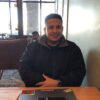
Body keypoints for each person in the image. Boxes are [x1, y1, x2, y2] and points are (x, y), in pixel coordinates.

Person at [19, 13, 86, 87]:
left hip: (64, 88)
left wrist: (59, 82)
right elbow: (23, 69)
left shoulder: (73, 48)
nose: (55, 31)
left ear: (62, 29)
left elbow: (79, 72)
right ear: (45, 30)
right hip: (38, 88)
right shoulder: (32, 47)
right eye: (51, 27)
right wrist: (45, 82)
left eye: (58, 27)